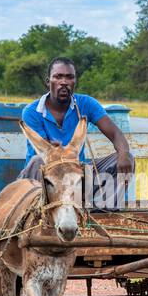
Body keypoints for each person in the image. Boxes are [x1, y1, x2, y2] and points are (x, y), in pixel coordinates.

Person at [18, 57, 135, 211]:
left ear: (75, 81)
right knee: (38, 160)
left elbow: (114, 133)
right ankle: (41, 211)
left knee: (123, 158)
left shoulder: (86, 104)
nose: (64, 82)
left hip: (76, 176)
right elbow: (48, 153)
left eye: (69, 77)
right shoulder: (32, 112)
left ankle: (104, 213)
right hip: (44, 177)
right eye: (58, 77)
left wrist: (124, 152)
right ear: (48, 81)